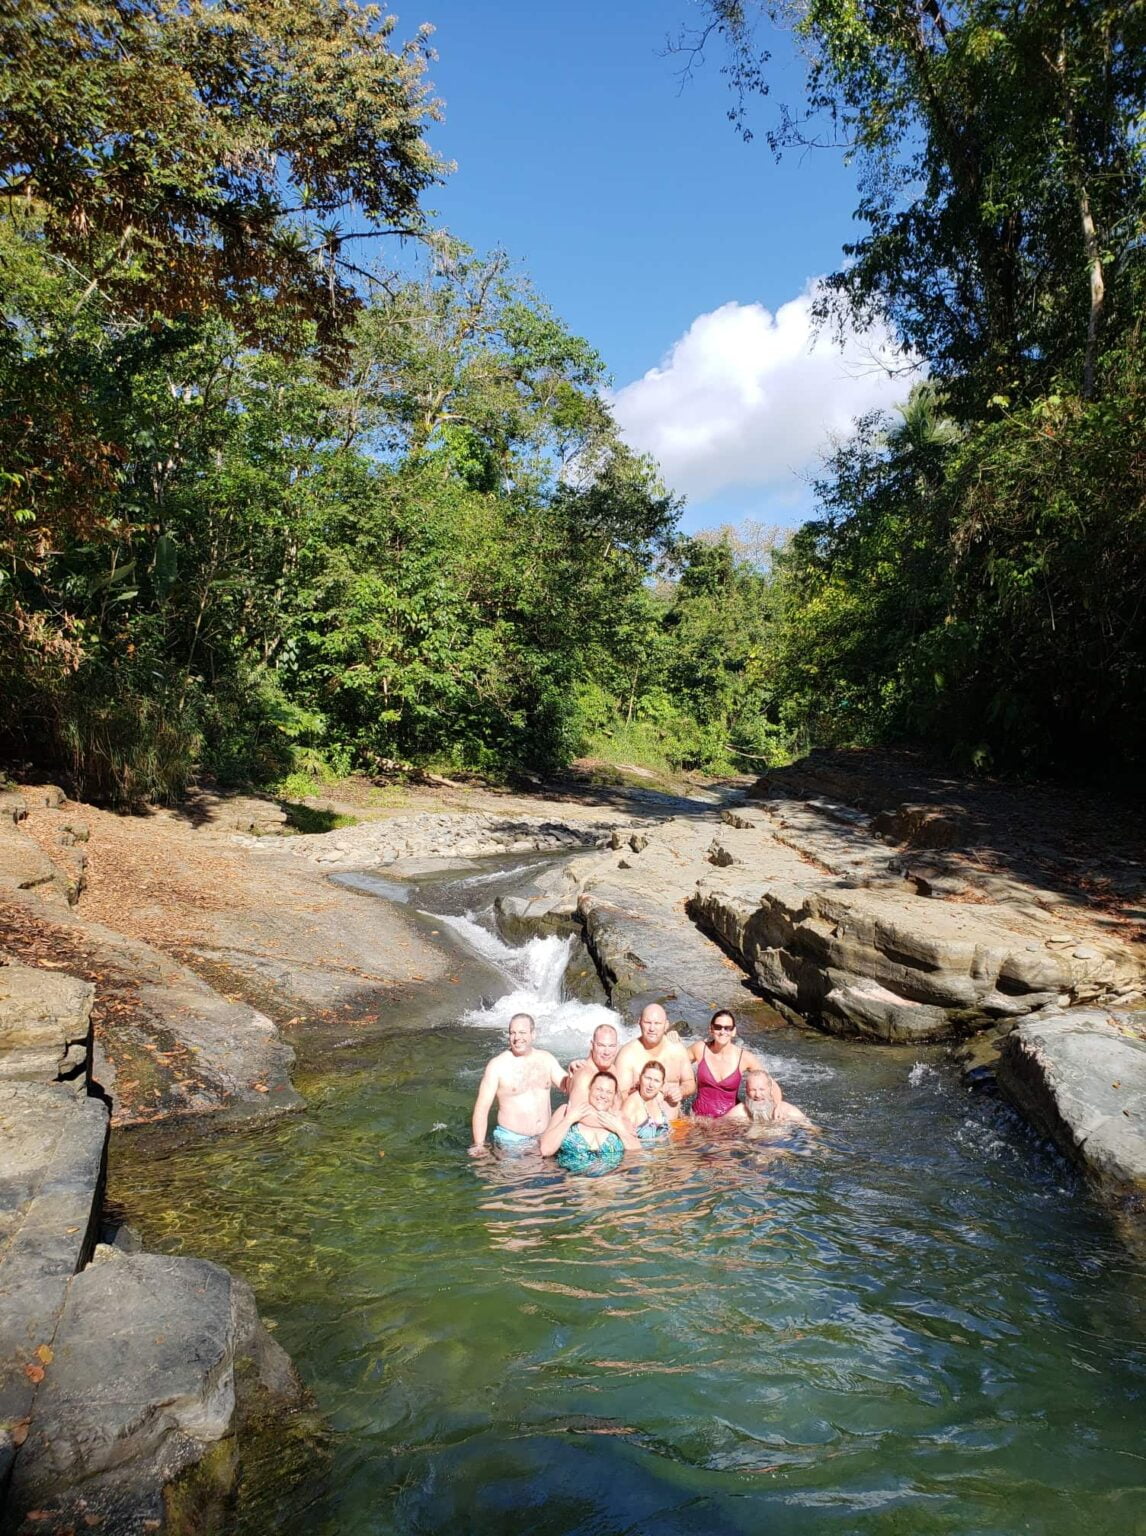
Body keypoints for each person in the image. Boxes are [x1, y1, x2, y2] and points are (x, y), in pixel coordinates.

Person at [468, 1013, 566, 1155]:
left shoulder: (546, 1059)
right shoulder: (497, 1066)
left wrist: (577, 1069)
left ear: (533, 1034)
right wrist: (479, 1144)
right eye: (512, 1033)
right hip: (511, 1141)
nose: (517, 1038)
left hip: (544, 1138)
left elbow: (567, 1085)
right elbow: (482, 1108)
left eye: (522, 1032)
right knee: (517, 1177)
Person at [539, 1071, 641, 1172]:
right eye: (599, 1089)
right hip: (575, 1183)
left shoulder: (619, 1118)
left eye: (609, 1092)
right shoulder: (566, 1111)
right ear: (589, 1090)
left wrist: (619, 1130)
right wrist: (569, 1120)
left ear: (614, 1096)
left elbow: (637, 1156)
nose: (603, 1095)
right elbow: (545, 1150)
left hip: (611, 1183)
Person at [613, 1003, 696, 1117]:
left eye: (657, 1023)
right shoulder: (627, 1054)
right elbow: (619, 1097)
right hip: (641, 1125)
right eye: (648, 1023)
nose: (652, 1028)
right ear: (639, 1023)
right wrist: (646, 1090)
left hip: (675, 1125)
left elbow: (690, 1082)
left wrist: (680, 1091)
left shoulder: (677, 1049)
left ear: (666, 1025)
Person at [689, 1009, 766, 1120]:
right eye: (718, 1027)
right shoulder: (700, 1048)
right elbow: (676, 1063)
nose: (722, 1031)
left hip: (730, 1122)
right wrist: (673, 1044)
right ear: (711, 1029)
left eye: (727, 1028)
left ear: (734, 1031)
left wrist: (777, 1106)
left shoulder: (744, 1057)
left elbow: (769, 1083)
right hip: (699, 1119)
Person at [725, 1068, 815, 1130]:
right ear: (747, 1091)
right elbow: (717, 1129)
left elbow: (811, 1129)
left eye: (762, 1089)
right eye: (753, 1090)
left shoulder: (786, 1110)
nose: (758, 1095)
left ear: (770, 1089)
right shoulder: (740, 1112)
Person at [563, 1023, 621, 1108]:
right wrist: (617, 1121)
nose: (607, 1052)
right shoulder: (584, 1075)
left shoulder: (612, 1069)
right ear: (591, 1045)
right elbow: (578, 1114)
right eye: (601, 1045)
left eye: (612, 1046)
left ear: (617, 1046)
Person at [621, 1059, 671, 1141]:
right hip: (640, 1153)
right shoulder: (631, 1105)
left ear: (662, 1084)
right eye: (648, 1078)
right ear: (640, 1078)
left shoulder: (658, 1098)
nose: (651, 1085)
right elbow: (623, 1139)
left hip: (664, 1152)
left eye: (656, 1081)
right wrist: (655, 1140)